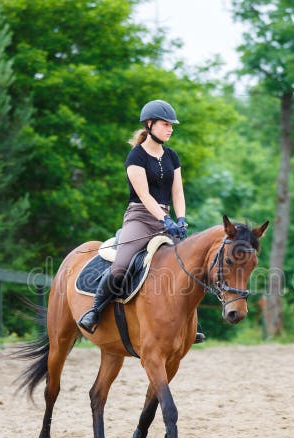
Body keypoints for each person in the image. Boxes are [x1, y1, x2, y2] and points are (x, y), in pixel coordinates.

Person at [78, 99, 203, 343]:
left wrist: (181, 219)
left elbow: (178, 192)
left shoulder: (172, 156)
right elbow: (144, 195)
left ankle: (190, 324)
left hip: (168, 219)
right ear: (150, 124)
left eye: (171, 125)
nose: (170, 129)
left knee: (190, 267)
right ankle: (94, 311)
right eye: (165, 124)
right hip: (140, 218)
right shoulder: (135, 156)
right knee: (121, 265)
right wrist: (164, 218)